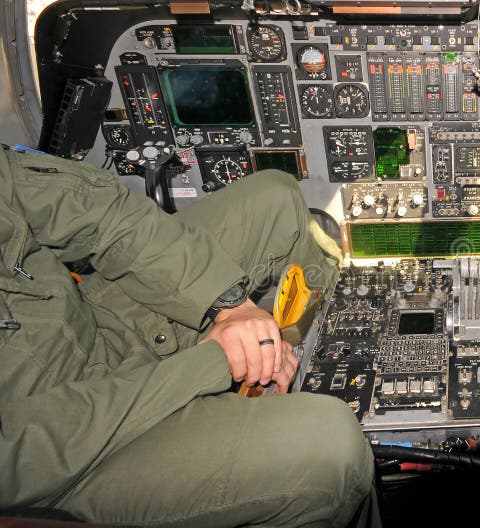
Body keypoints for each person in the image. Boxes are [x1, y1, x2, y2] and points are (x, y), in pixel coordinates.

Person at [0, 145, 380, 528]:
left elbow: (102, 211)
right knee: (333, 447)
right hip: (73, 454)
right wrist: (210, 363)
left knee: (279, 201)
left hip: (94, 323)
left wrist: (228, 304)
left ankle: (313, 353)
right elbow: (25, 453)